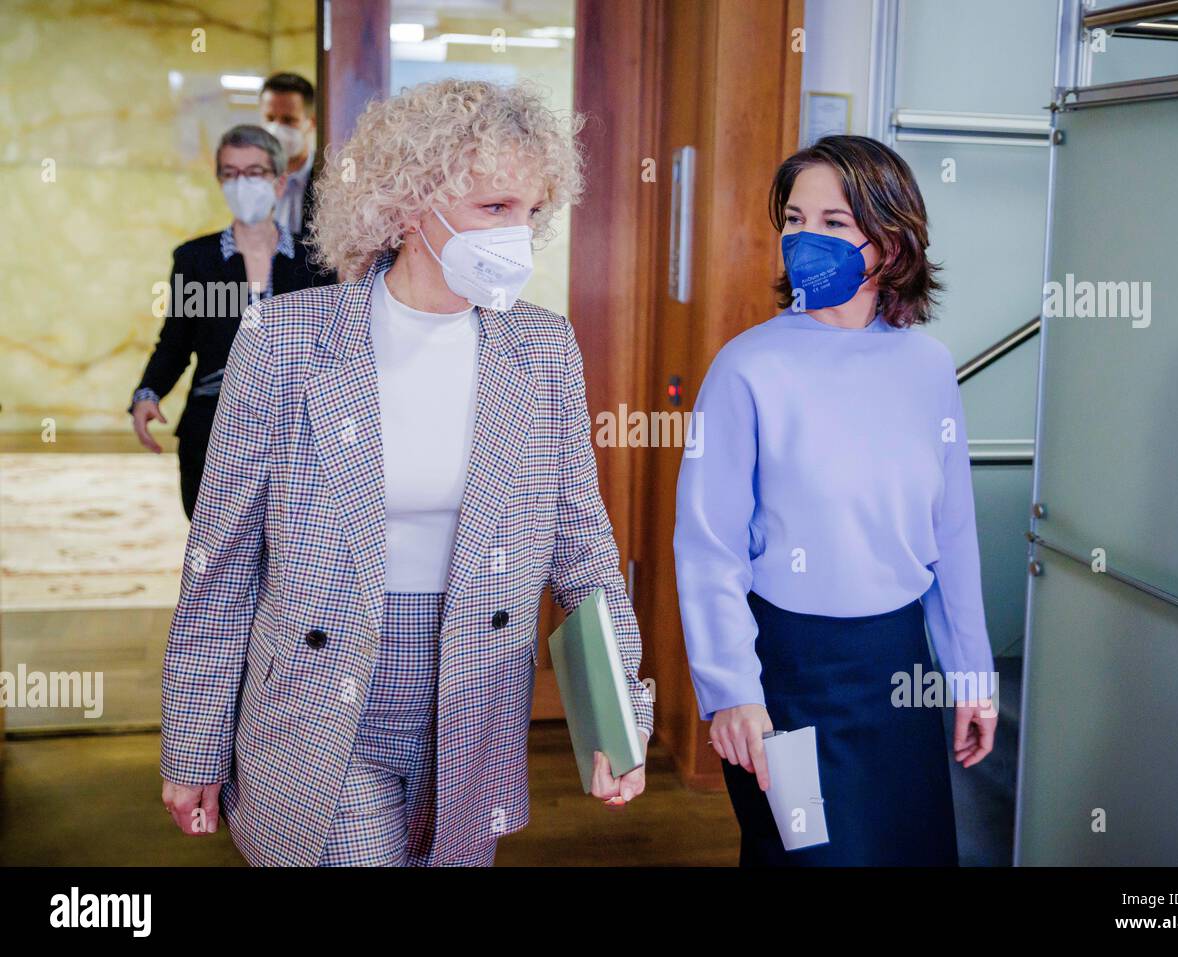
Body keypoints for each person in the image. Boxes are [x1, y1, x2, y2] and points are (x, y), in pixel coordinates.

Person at [159, 79, 653, 867]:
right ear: (412, 203)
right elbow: (219, 563)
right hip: (324, 689)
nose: (518, 234)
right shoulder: (285, 341)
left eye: (530, 212)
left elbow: (584, 551)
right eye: (496, 208)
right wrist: (193, 742)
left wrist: (617, 712)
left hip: (475, 691)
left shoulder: (544, 350)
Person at [674, 134, 998, 866]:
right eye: (793, 219)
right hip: (788, 676)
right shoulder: (747, 366)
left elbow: (952, 534)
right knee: (809, 857)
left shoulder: (928, 365)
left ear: (890, 239)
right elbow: (708, 546)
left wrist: (971, 674)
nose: (803, 239)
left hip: (896, 668)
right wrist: (731, 690)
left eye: (832, 221)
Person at [129, 124, 335, 519]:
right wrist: (148, 393)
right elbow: (176, 339)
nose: (242, 183)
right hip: (213, 427)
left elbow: (333, 344)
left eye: (254, 172)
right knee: (214, 549)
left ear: (279, 182)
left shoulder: (316, 262)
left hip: (295, 432)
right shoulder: (196, 259)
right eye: (230, 173)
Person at [259, 72, 319, 236]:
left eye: (288, 120)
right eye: (270, 118)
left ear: (311, 123)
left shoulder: (327, 179)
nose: (276, 129)